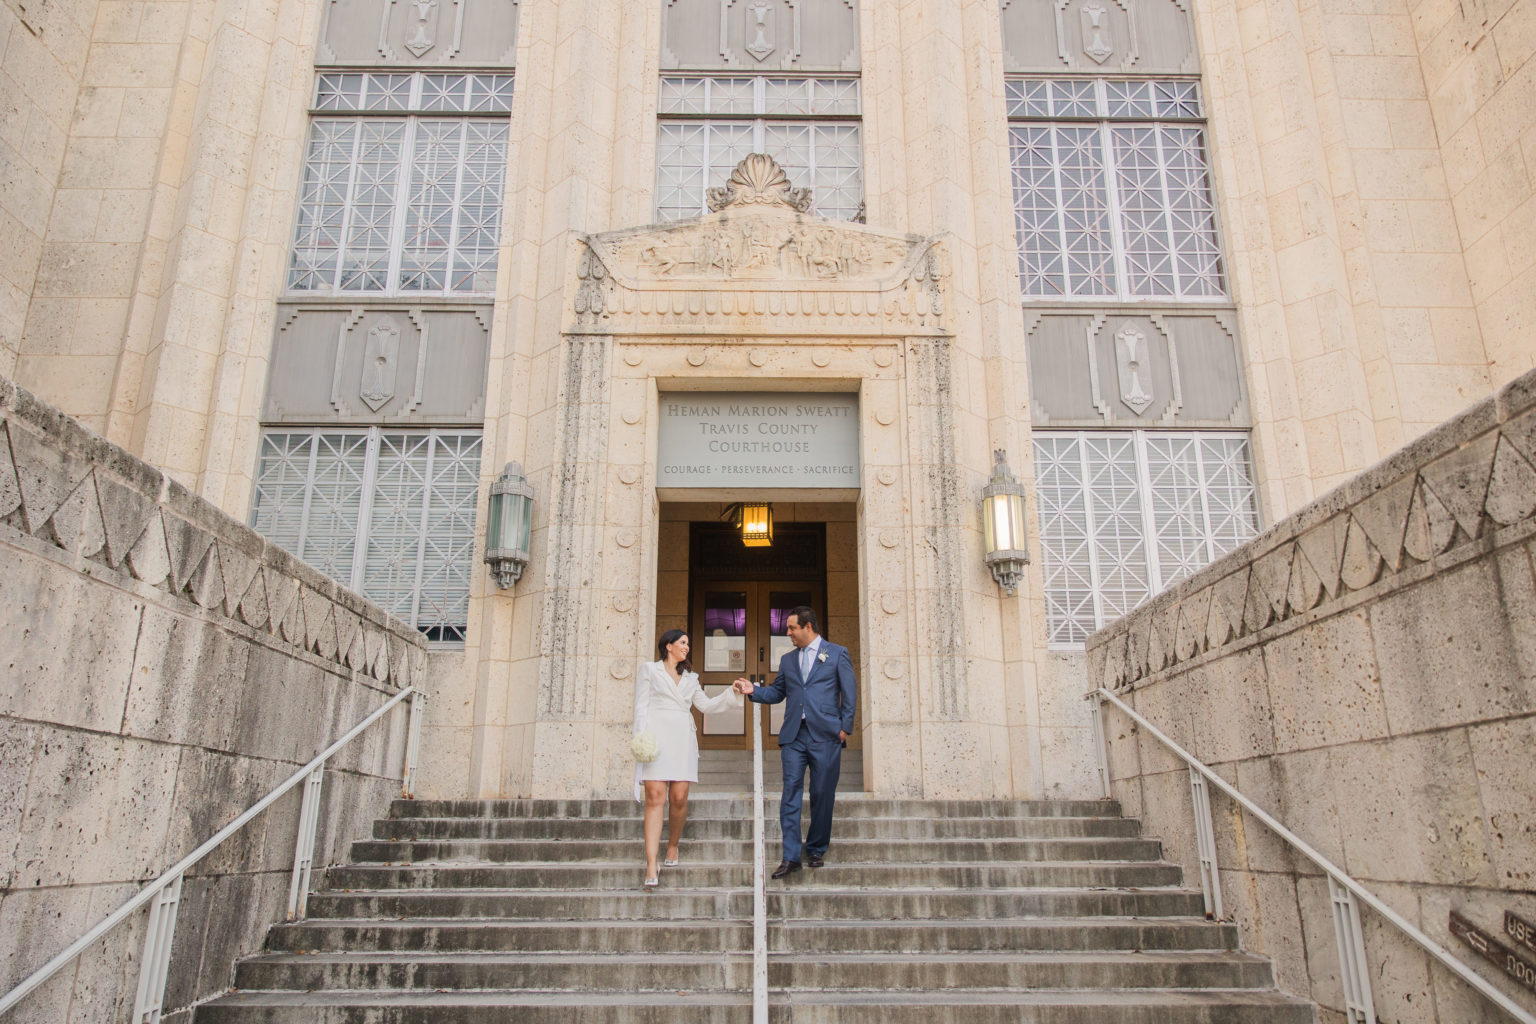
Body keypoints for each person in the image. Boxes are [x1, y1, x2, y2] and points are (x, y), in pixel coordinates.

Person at [734, 606, 856, 879]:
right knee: (790, 794)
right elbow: (778, 692)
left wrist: (844, 728)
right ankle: (790, 857)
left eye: (791, 628)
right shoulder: (788, 660)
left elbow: (849, 692)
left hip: (826, 735)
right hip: (793, 737)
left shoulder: (837, 653)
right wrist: (754, 690)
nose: (787, 632)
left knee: (822, 794)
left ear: (808, 627)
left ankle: (815, 848)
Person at [632, 629, 743, 888]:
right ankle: (651, 863)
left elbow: (706, 706)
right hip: (656, 738)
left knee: (679, 798)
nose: (687, 647)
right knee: (654, 799)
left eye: (688, 643)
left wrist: (733, 691)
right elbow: (640, 707)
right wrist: (640, 741)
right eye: (682, 642)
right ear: (668, 646)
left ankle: (673, 845)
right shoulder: (650, 670)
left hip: (682, 739)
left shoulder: (691, 678)